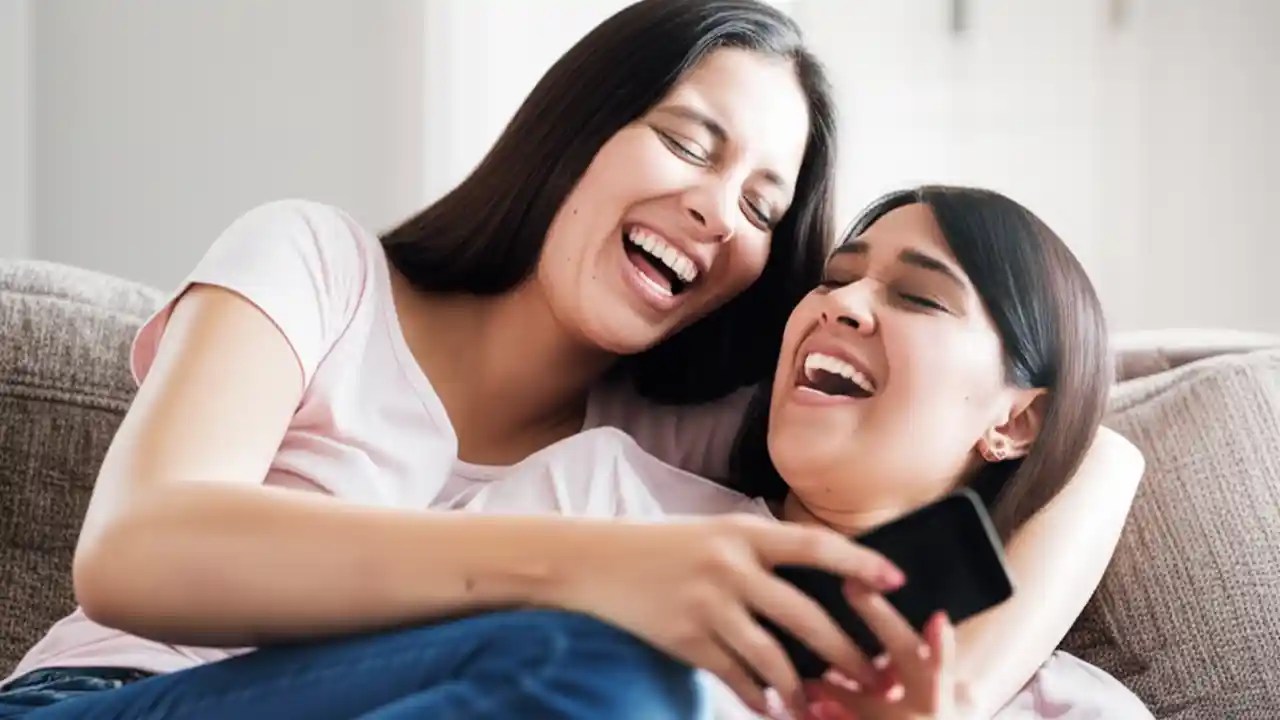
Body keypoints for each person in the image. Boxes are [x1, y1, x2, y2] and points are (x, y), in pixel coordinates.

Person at [0, 0, 1142, 718]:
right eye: (688, 142)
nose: (712, 210)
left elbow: (1099, 460)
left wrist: (955, 696)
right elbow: (137, 554)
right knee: (608, 670)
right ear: (576, 129)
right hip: (112, 696)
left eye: (761, 203)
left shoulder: (675, 432)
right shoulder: (317, 265)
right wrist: (594, 572)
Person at [398, 186, 1144, 720]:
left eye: (918, 297)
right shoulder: (603, 495)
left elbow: (1108, 458)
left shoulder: (1068, 707)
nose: (840, 305)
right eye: (837, 278)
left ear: (1017, 423)